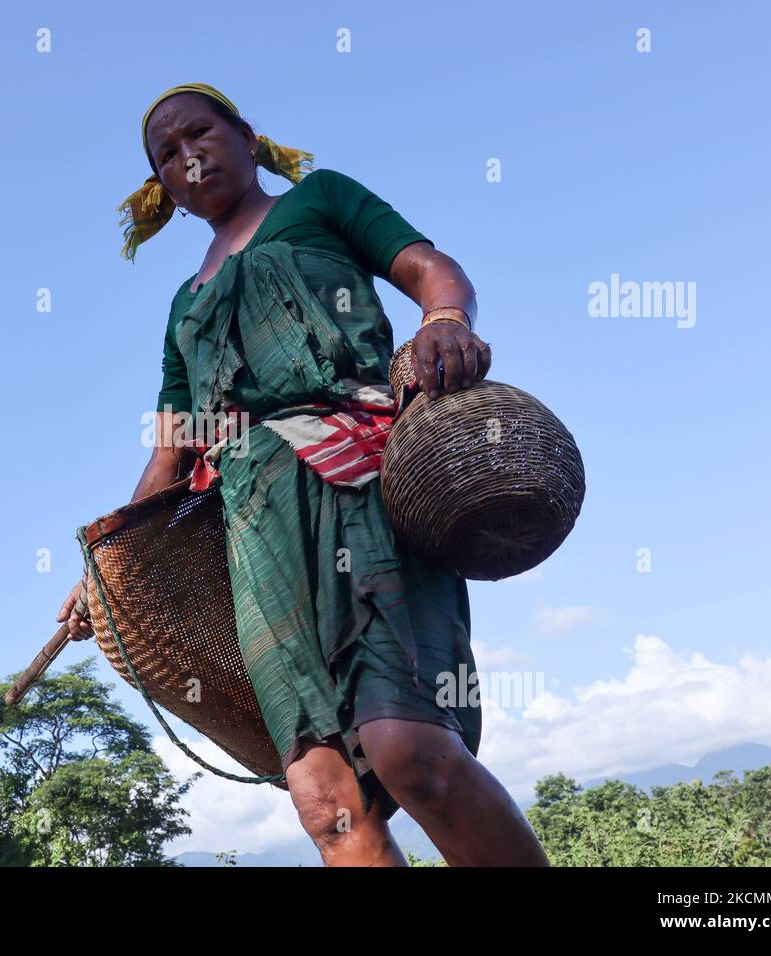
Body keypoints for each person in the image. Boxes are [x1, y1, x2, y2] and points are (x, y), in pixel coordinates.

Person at [57, 83, 548, 866]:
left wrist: (446, 318)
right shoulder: (186, 306)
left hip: (360, 484)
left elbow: (429, 267)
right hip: (257, 532)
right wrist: (108, 570)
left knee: (408, 749)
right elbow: (174, 448)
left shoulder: (319, 201)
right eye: (166, 154)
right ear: (166, 192)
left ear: (247, 138)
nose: (188, 155)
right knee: (326, 807)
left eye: (200, 133)